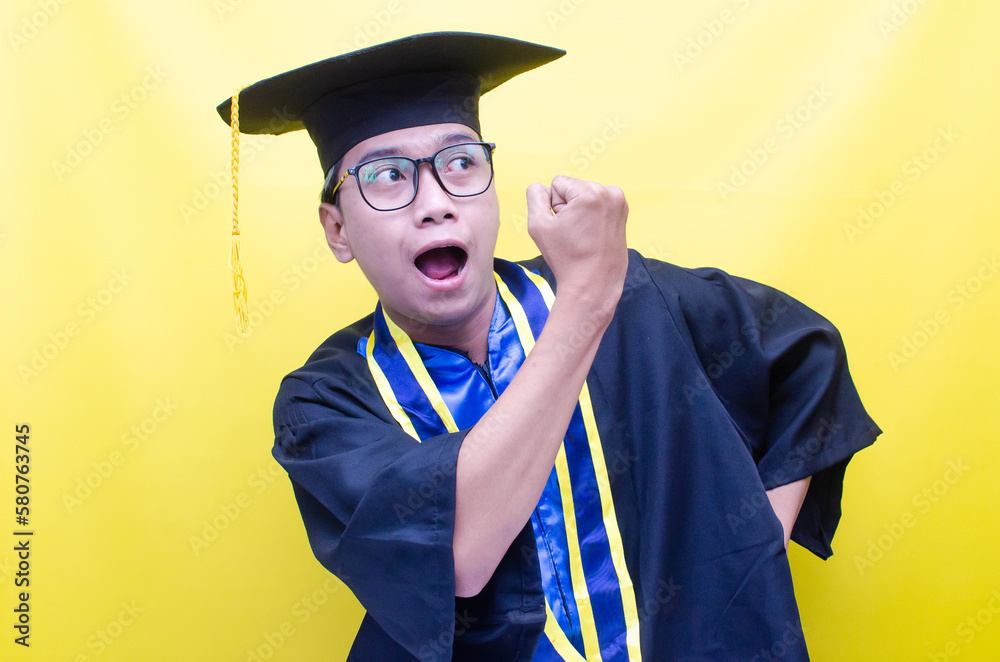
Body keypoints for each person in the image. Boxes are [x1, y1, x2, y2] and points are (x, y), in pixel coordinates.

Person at [218, 32, 880, 661]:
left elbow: (803, 354)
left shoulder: (637, 299)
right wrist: (586, 303)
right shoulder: (324, 405)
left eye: (460, 163)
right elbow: (460, 554)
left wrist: (743, 562)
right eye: (388, 177)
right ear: (338, 230)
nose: (436, 203)